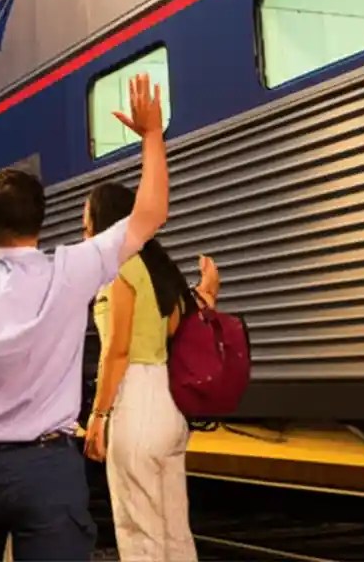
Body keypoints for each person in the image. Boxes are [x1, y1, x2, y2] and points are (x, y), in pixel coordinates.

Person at [0, 72, 170, 560]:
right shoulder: (74, 269)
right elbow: (150, 214)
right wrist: (152, 136)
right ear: (41, 221)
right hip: (47, 467)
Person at [82, 182, 219, 561]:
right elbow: (180, 333)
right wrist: (206, 295)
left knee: (139, 534)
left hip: (135, 405)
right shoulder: (161, 272)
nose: (85, 234)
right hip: (169, 406)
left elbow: (117, 349)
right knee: (174, 532)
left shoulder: (121, 267)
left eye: (87, 224)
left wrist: (98, 415)